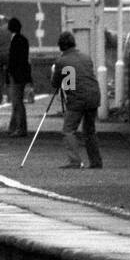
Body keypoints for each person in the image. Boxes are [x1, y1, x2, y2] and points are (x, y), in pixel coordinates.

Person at [50, 30, 103, 169]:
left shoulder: (61, 61)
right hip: (93, 95)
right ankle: (96, 161)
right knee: (90, 130)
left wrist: (56, 73)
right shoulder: (86, 57)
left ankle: (75, 161)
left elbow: (56, 84)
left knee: (68, 129)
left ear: (61, 46)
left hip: (77, 99)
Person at [6, 17, 32, 137]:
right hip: (22, 74)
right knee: (17, 101)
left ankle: (21, 128)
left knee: (17, 102)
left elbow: (13, 60)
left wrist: (8, 73)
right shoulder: (24, 40)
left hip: (16, 75)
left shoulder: (15, 40)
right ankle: (13, 126)